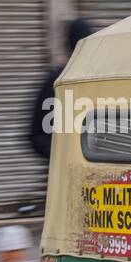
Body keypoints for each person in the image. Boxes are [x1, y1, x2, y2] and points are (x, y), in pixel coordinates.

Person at [28, 18, 94, 159]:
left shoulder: (100, 81)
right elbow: (37, 136)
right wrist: (65, 153)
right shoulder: (56, 83)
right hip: (63, 175)